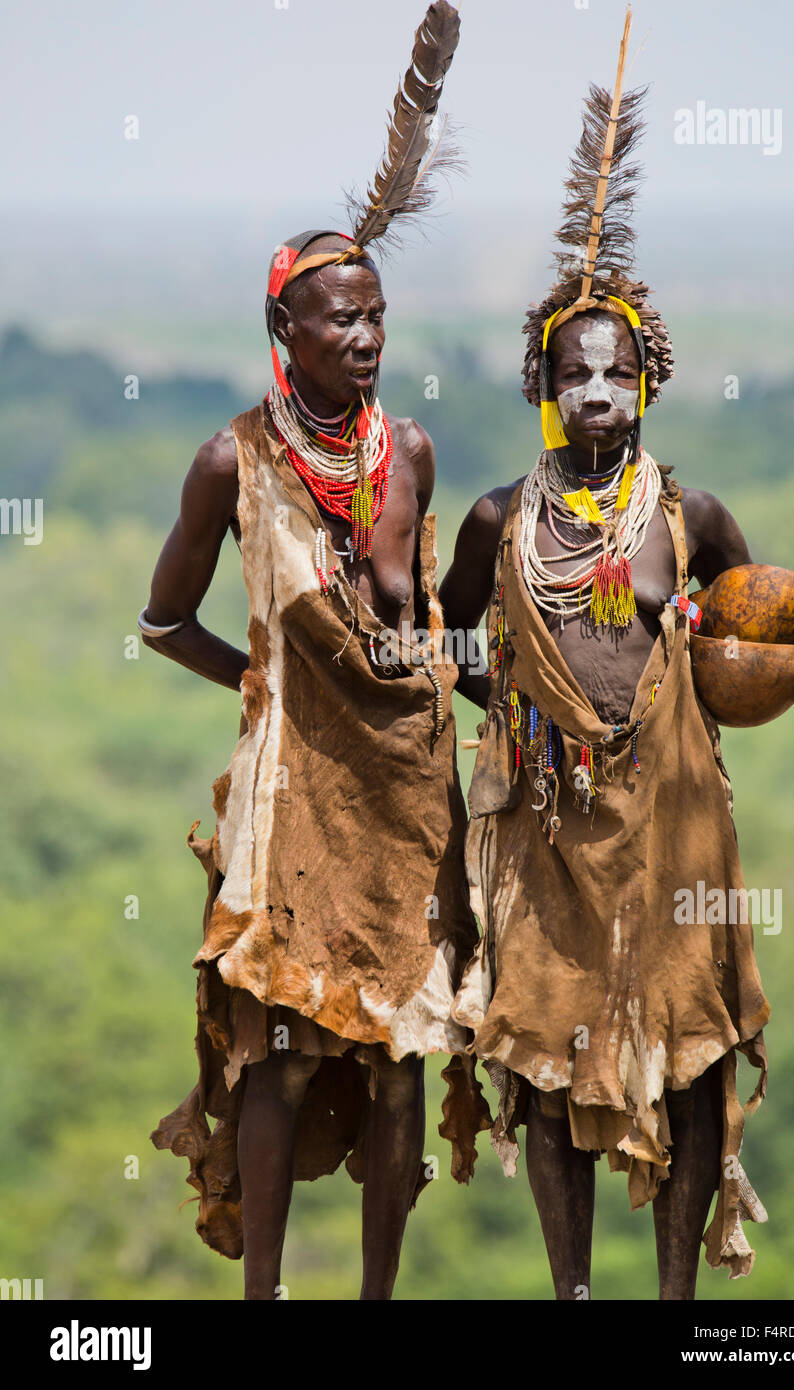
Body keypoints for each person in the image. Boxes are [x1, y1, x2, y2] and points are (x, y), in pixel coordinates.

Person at [439, 12, 794, 1300]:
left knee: (691, 1049)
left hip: (678, 826)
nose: (604, 391)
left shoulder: (691, 515)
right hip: (550, 825)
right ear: (545, 385)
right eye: (580, 373)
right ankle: (573, 1291)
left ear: (650, 381)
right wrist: (513, 698)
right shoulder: (501, 521)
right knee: (546, 1050)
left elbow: (770, 635)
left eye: (621, 371)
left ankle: (675, 1305)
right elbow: (454, 639)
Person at [143, 3, 487, 1301]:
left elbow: (419, 621)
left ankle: (376, 1297)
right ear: (283, 332)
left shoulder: (409, 455)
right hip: (291, 790)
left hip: (404, 791)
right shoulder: (232, 459)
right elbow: (163, 620)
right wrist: (260, 680)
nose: (363, 337)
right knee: (282, 1045)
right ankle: (266, 1291)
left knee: (400, 1049)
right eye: (338, 319)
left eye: (376, 316)